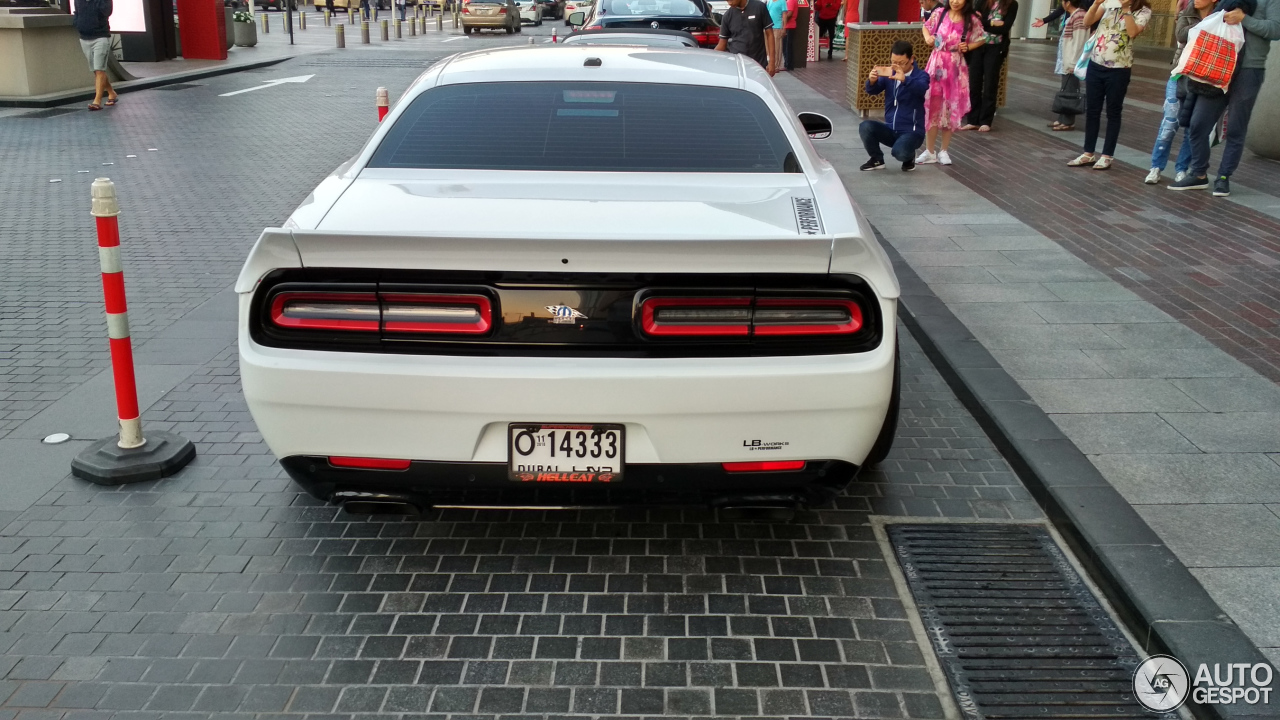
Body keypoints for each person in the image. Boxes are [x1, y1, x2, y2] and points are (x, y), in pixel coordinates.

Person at [1169, 0, 1280, 196]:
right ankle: (1199, 173)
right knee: (1197, 124)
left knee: (1236, 127)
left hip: (1248, 70)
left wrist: (1244, 19)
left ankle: (1223, 177)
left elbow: (1275, 29)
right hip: (1218, 65)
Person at [1066, 0, 1151, 170]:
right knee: (1093, 110)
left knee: (1113, 111)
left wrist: (1126, 9)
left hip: (1119, 68)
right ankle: (1088, 153)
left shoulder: (1143, 10)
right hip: (1096, 65)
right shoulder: (1109, 5)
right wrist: (1096, 4)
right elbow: (1087, 22)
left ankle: (1107, 155)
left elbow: (1132, 32)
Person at [1144, 0, 1211, 184]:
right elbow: (1181, 35)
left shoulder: (1220, 18)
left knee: (1192, 127)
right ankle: (1156, 166)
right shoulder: (1187, 13)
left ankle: (1182, 168)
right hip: (1179, 75)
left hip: (1202, 78)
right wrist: (1207, 26)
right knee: (1169, 122)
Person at [916, 0, 986, 165]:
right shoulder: (940, 13)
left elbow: (983, 38)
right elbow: (926, 26)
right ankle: (930, 151)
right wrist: (928, 38)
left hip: (955, 66)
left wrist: (968, 46)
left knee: (949, 107)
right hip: (936, 63)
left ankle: (944, 151)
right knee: (932, 105)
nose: (955, 1)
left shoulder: (971, 18)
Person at [860, 40, 931, 171]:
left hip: (912, 131)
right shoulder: (889, 74)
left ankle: (909, 157)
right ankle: (877, 159)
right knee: (865, 126)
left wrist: (904, 79)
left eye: (901, 63)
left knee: (899, 153)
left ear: (911, 59)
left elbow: (921, 88)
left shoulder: (921, 76)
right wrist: (872, 80)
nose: (896, 66)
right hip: (891, 128)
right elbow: (872, 91)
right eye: (893, 62)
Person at [962, 0, 1017, 131]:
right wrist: (992, 23)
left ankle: (986, 121)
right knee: (974, 82)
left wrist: (984, 23)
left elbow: (1005, 28)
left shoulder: (1012, 4)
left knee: (990, 83)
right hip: (978, 46)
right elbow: (975, 22)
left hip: (996, 48)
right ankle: (972, 120)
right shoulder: (982, 2)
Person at [1048, 0, 1087, 130]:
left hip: (1072, 61)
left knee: (1070, 90)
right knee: (1066, 88)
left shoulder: (1079, 16)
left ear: (1068, 2)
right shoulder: (1074, 15)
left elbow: (1080, 41)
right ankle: (1062, 118)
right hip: (1066, 59)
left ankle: (1068, 121)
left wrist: (1074, 63)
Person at [74, 0, 117, 111]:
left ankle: (97, 101)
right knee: (96, 70)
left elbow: (107, 12)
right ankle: (111, 93)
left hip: (101, 37)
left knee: (99, 70)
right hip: (84, 37)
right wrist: (77, 23)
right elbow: (77, 12)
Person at [716, 0, 777, 73]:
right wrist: (709, 58)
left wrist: (772, 62)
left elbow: (770, 34)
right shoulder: (727, 16)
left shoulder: (759, 7)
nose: (729, 3)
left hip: (758, 64)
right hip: (737, 66)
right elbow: (722, 44)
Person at [767, 0, 789, 72]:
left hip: (777, 27)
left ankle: (776, 66)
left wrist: (784, 27)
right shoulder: (769, 1)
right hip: (769, 27)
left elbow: (784, 15)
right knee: (768, 47)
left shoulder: (782, 1)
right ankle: (769, 63)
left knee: (777, 47)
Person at [782, 0, 799, 70]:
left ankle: (788, 64)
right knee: (787, 46)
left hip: (789, 26)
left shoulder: (791, 1)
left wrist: (783, 20)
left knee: (787, 47)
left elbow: (790, 13)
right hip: (789, 26)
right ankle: (788, 64)